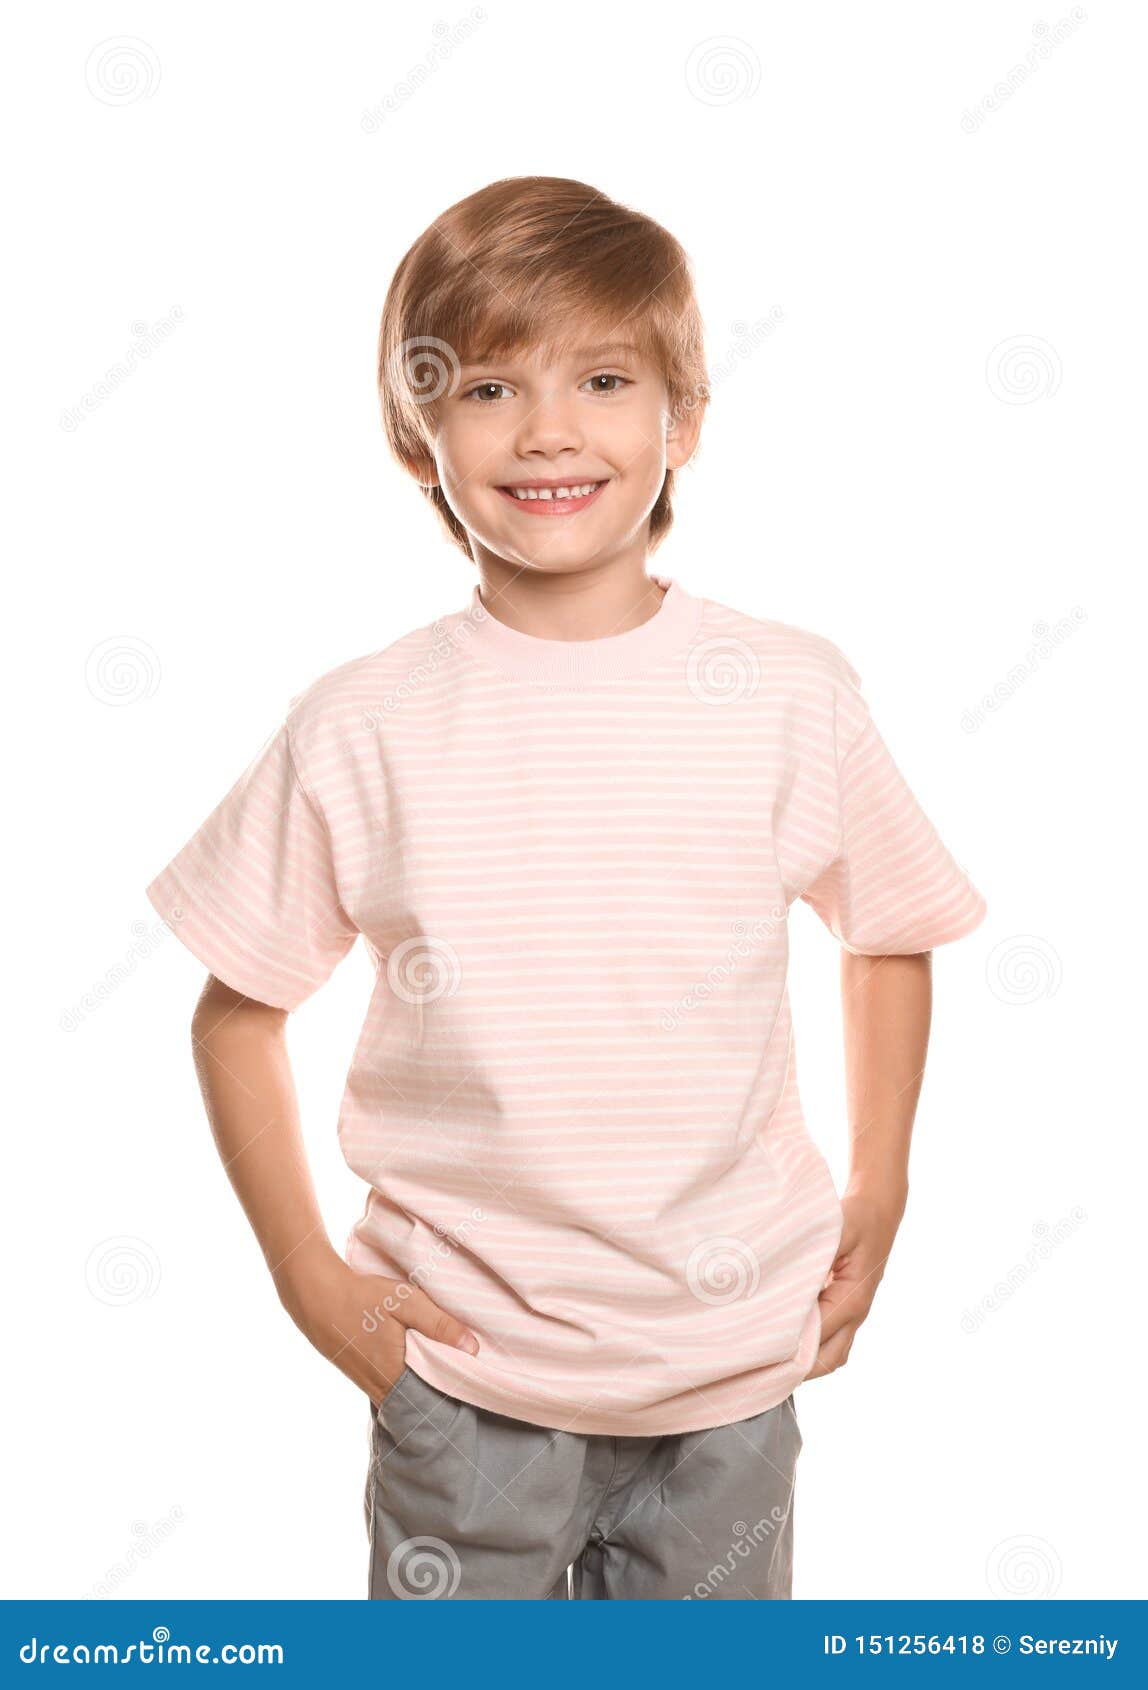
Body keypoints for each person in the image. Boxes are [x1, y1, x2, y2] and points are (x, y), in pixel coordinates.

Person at [145, 176, 987, 1601]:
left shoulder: (790, 692)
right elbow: (237, 1012)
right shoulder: (364, 720)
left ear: (685, 421)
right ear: (420, 440)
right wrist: (306, 1271)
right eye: (486, 387)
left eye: (604, 378)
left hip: (730, 1366)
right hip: (462, 1376)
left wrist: (884, 1179)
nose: (547, 429)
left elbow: (889, 934)